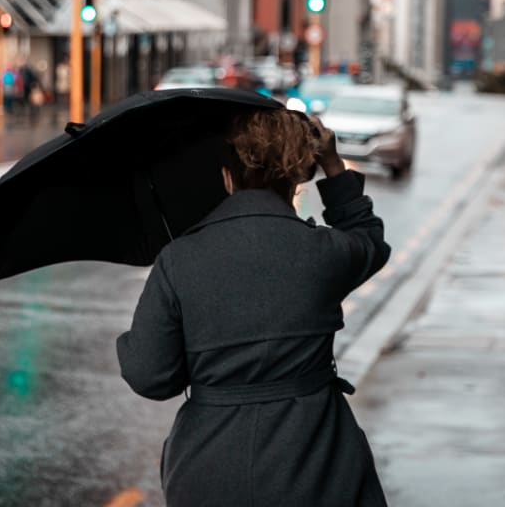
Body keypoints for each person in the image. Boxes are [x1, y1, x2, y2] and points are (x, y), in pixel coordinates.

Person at [117, 109, 391, 506]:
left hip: (210, 469)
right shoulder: (323, 252)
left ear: (227, 178)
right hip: (316, 460)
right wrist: (332, 164)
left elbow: (149, 375)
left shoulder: (180, 259)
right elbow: (369, 239)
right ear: (295, 180)